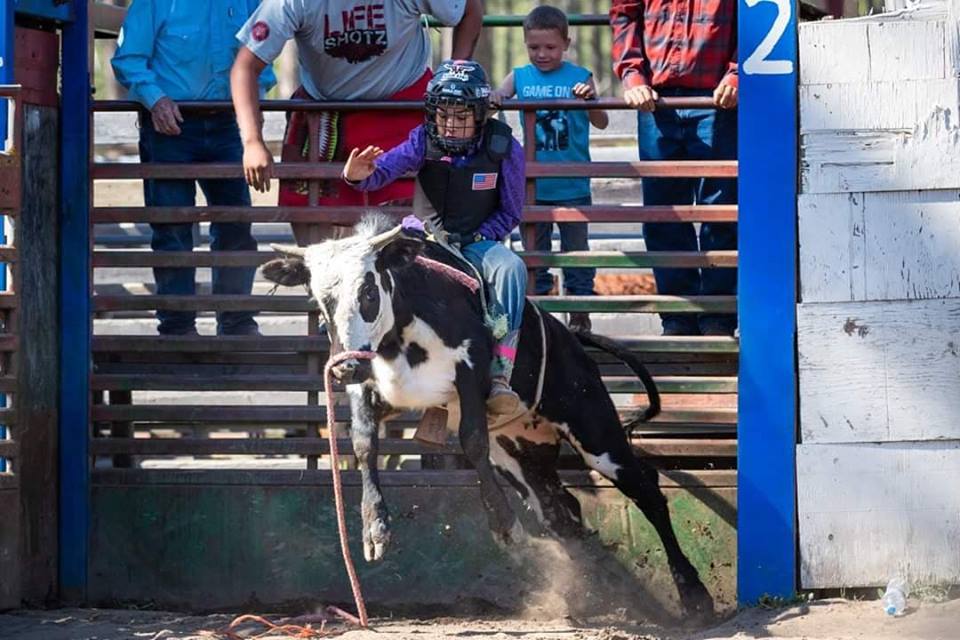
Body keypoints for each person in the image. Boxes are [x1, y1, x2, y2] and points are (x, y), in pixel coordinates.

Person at [342, 60, 527, 415]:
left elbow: (511, 212)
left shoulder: (504, 148)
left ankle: (501, 371)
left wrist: (475, 237)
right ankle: (371, 360)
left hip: (476, 243)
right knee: (374, 264)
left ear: (481, 114)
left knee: (511, 268)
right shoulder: (421, 140)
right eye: (443, 114)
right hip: (422, 236)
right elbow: (383, 170)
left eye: (461, 115)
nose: (451, 124)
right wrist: (357, 176)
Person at [230, 0, 483, 245]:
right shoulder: (293, 2)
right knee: (320, 237)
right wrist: (252, 141)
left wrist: (451, 80)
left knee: (418, 232)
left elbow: (469, 9)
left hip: (404, 114)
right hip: (327, 119)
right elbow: (245, 67)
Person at [112, 0, 276, 336]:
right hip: (170, 124)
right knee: (171, 227)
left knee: (235, 224)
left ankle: (236, 321)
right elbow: (128, 59)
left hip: (229, 123)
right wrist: (155, 98)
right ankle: (177, 326)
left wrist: (253, 109)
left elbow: (263, 60)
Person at [610, 0, 738, 336]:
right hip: (656, 100)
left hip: (716, 100)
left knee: (721, 209)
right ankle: (678, 315)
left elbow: (754, 15)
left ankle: (718, 316)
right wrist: (633, 74)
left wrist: (738, 72)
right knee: (664, 215)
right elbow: (625, 13)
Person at [492, 5, 608, 334]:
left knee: (577, 255)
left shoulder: (580, 76)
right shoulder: (520, 76)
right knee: (535, 253)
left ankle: (580, 314)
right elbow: (497, 96)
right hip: (532, 187)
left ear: (566, 44)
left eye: (551, 47)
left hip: (573, 184)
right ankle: (539, 318)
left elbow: (601, 121)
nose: (542, 54)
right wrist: (497, 96)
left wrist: (591, 101)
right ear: (525, 44)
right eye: (534, 47)